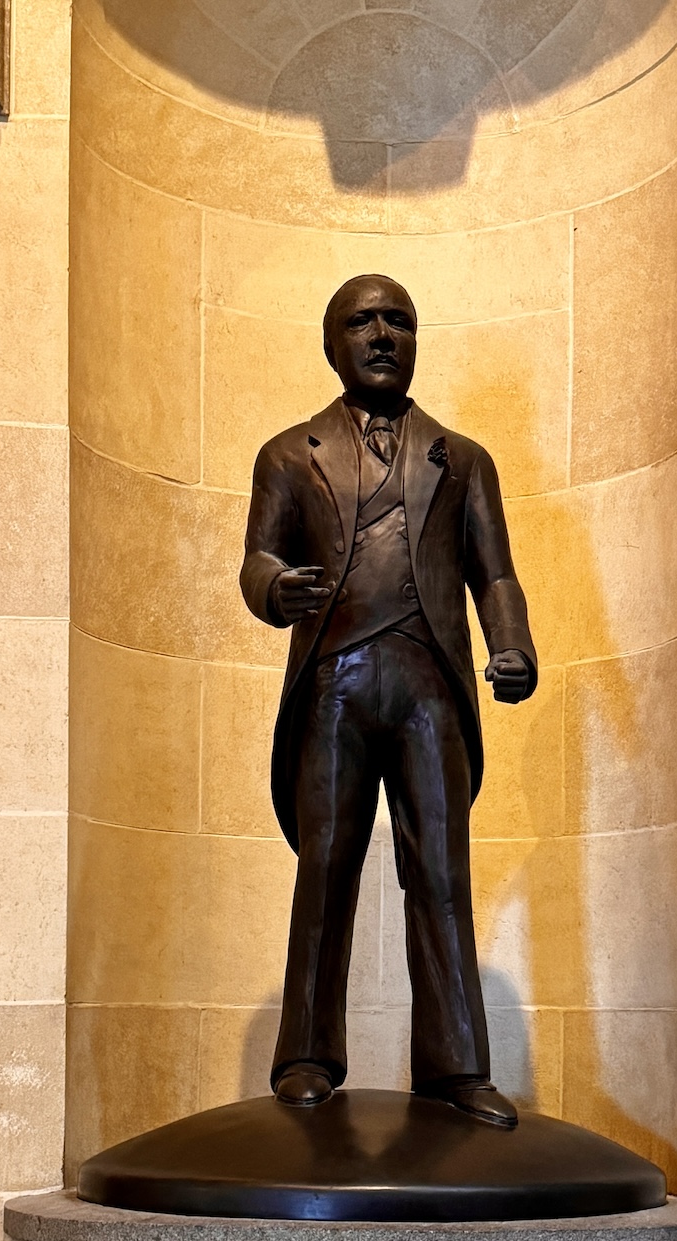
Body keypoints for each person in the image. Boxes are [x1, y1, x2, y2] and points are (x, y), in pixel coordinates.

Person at [240, 274, 538, 1128]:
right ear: (331, 345)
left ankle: (455, 1066)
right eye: (361, 322)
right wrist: (274, 589)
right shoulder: (288, 456)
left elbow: (495, 573)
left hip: (429, 690)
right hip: (331, 686)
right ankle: (306, 1055)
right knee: (325, 868)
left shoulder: (463, 460)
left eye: (397, 321)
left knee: (440, 871)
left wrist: (513, 645)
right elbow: (256, 559)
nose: (381, 335)